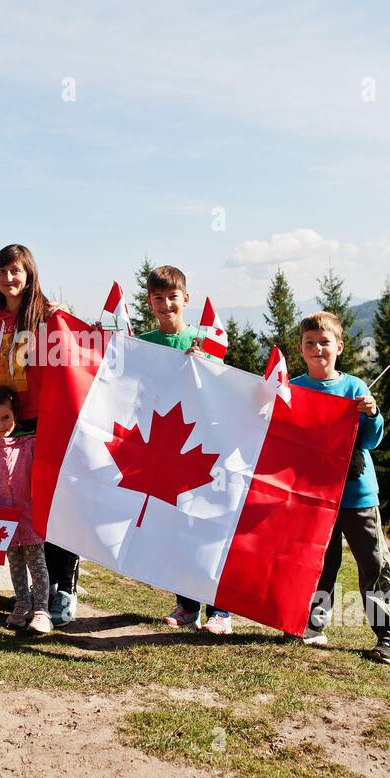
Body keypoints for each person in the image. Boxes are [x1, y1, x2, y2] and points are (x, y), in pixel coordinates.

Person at [289, 311, 390, 665]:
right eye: (310, 343)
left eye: (324, 342)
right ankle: (313, 622)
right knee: (318, 562)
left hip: (356, 494)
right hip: (313, 493)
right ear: (301, 348)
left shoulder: (356, 388)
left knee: (373, 564)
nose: (317, 349)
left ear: (338, 347)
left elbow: (371, 441)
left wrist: (372, 413)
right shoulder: (294, 387)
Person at [0, 244, 82, 626]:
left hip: (42, 428)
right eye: (1, 271)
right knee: (13, 509)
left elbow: (79, 353)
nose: (9, 278)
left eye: (16, 271)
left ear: (29, 274)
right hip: (2, 432)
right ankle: (26, 597)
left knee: (53, 509)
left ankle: (61, 589)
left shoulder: (47, 319)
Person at [136, 264, 234, 635]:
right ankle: (187, 605)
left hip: (202, 444)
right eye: (158, 299)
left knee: (208, 525)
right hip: (162, 446)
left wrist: (206, 360)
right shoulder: (142, 343)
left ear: (186, 299)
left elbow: (224, 387)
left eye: (172, 297)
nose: (166, 304)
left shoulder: (204, 340)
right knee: (177, 527)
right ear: (149, 302)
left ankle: (221, 611)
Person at [0, 386, 52, 635]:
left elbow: (44, 472)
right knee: (15, 564)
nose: (0, 424)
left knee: (37, 564)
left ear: (15, 413)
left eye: (5, 417)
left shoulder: (29, 444)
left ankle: (41, 610)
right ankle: (22, 603)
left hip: (30, 517)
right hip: (3, 520)